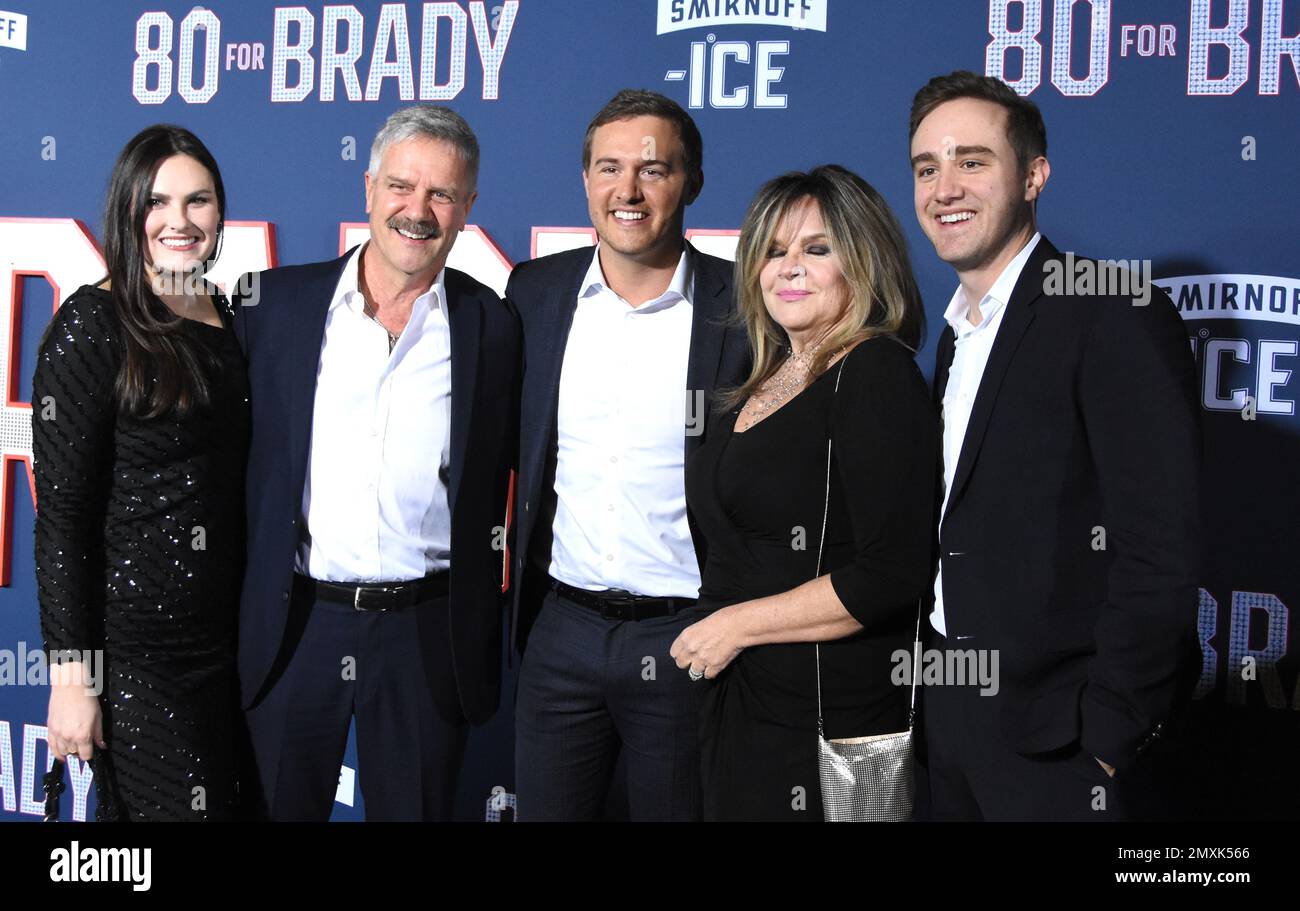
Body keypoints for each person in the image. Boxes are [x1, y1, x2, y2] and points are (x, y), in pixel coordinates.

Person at [908, 71, 1201, 820]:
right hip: (951, 718)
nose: (946, 188)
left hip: (1064, 740)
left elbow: (1161, 546)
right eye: (926, 167)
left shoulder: (1110, 310)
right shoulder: (953, 334)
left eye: (972, 162)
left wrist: (1106, 735)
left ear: (1034, 175)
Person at [234, 105, 520, 821]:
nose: (417, 212)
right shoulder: (271, 306)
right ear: (368, 189)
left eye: (441, 194)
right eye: (401, 186)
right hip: (295, 626)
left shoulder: (494, 327)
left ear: (467, 208)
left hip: (426, 634)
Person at [507, 89, 750, 821]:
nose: (628, 190)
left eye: (653, 169)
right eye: (608, 168)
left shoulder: (743, 307)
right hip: (560, 634)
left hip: (686, 639)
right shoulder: (536, 292)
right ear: (585, 180)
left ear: (691, 182)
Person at [669, 165, 936, 821]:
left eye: (816, 249)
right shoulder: (764, 376)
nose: (788, 267)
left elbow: (890, 574)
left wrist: (734, 626)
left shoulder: (875, 372)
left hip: (826, 724)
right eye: (773, 250)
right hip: (741, 705)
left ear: (865, 262)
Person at [34, 125, 248, 821]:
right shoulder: (93, 323)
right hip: (137, 661)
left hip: (230, 655)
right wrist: (73, 680)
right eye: (157, 202)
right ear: (128, 210)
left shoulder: (232, 315)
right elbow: (62, 520)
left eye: (199, 200)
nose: (179, 221)